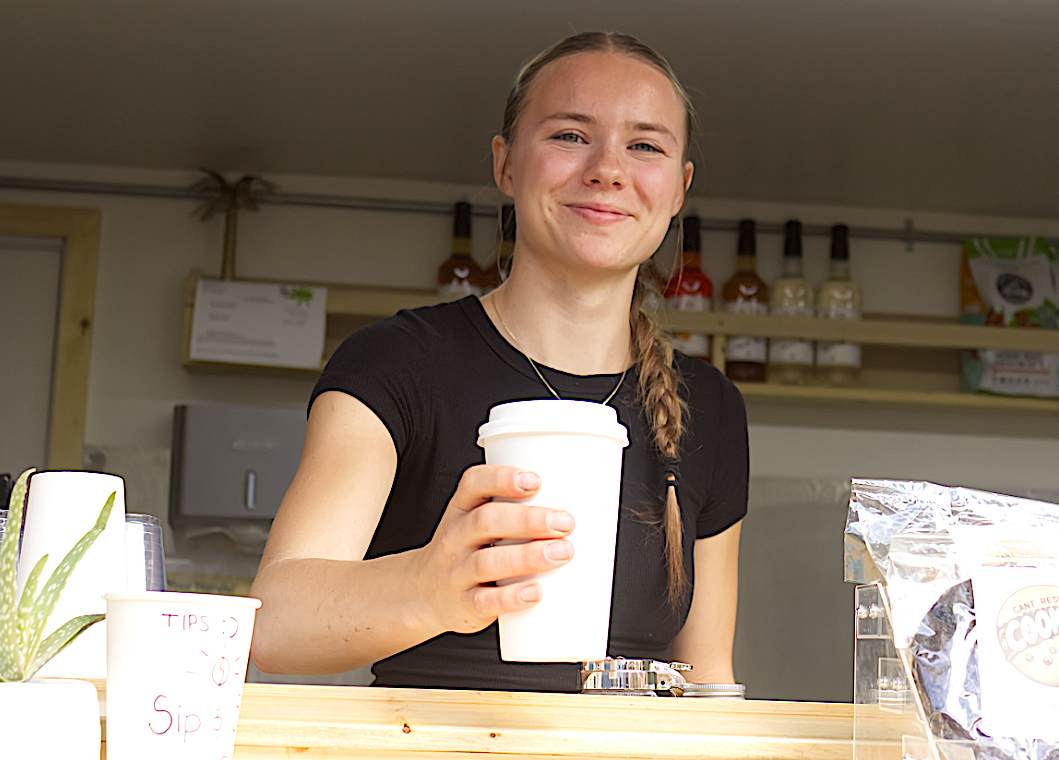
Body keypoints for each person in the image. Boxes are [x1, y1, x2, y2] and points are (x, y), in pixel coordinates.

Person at [249, 31, 748, 692]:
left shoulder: (708, 406)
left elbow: (707, 674)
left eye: (645, 145)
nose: (607, 168)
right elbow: (277, 625)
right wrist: (432, 588)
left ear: (679, 187)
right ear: (505, 163)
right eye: (569, 135)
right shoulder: (393, 364)